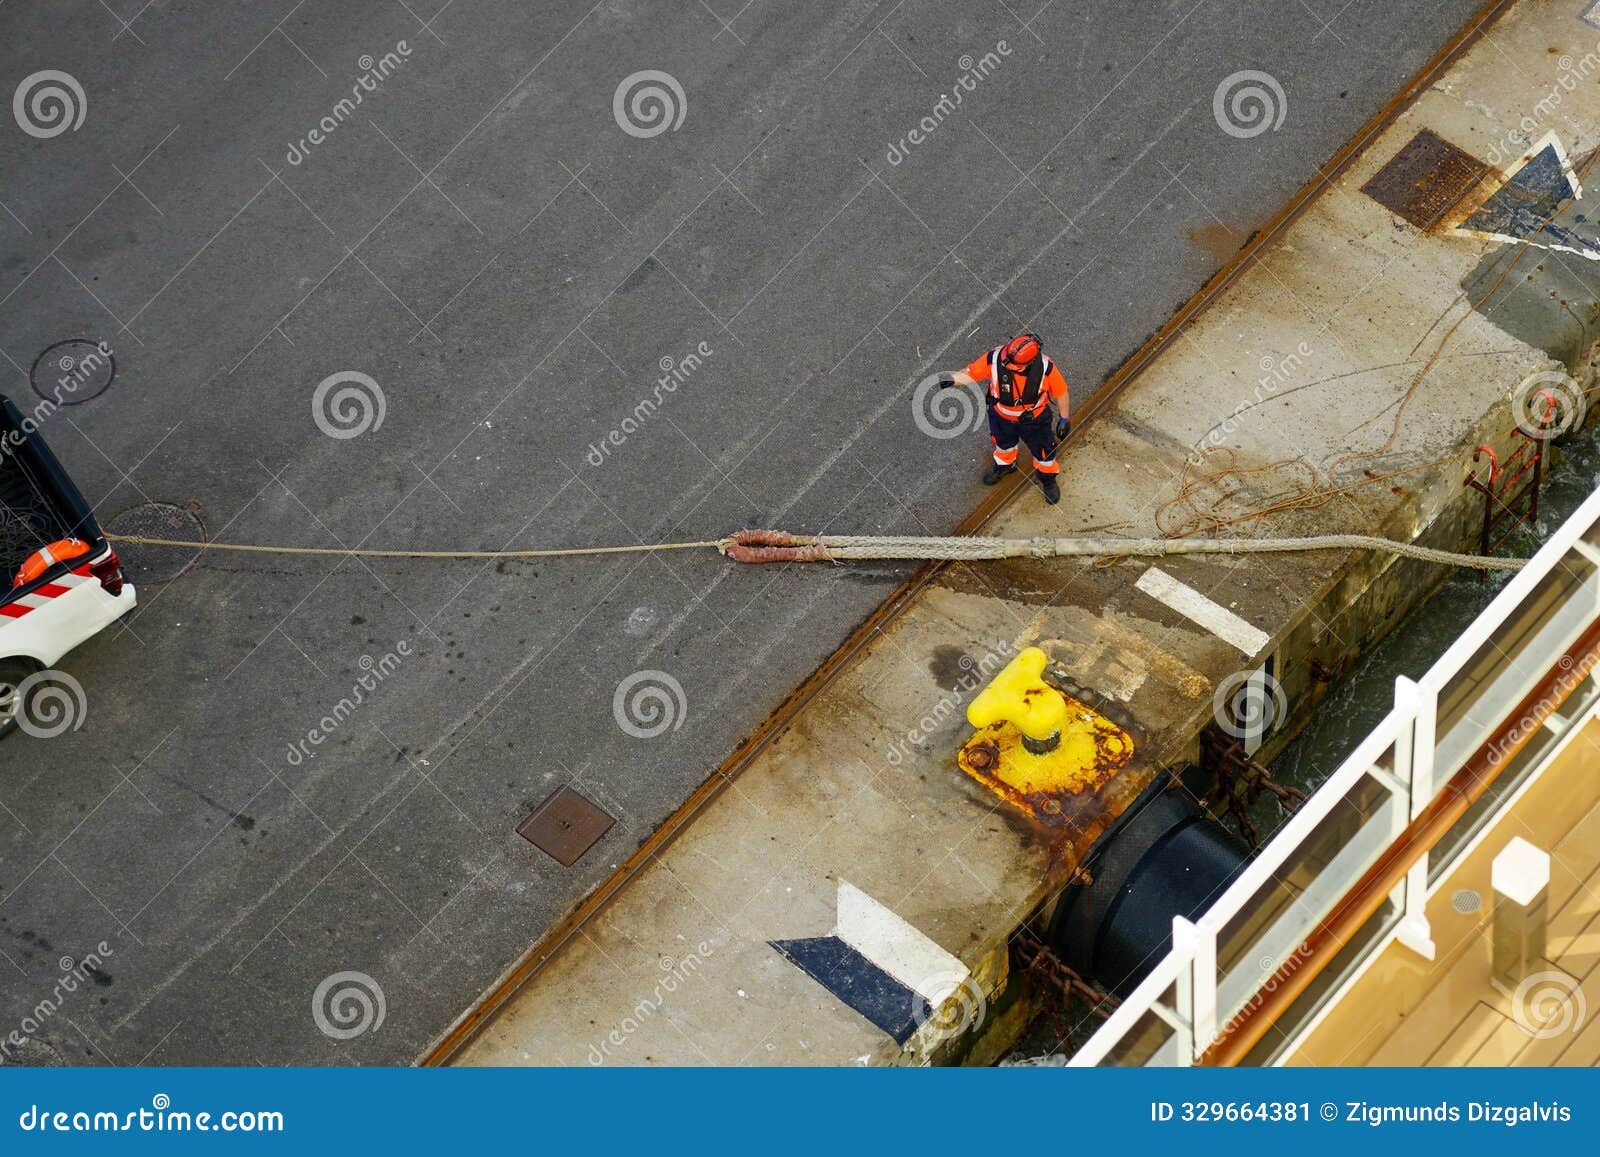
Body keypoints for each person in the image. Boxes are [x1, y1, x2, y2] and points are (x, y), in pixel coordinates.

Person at [938, 333, 1070, 504]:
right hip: (1001, 416)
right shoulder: (994, 358)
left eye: (1012, 364)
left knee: (1045, 451)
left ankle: (1048, 479)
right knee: (1003, 445)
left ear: (1028, 364)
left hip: (1035, 421)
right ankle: (1005, 465)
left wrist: (1064, 418)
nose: (1006, 363)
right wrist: (953, 380)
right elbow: (972, 372)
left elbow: (1061, 392)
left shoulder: (1047, 368)